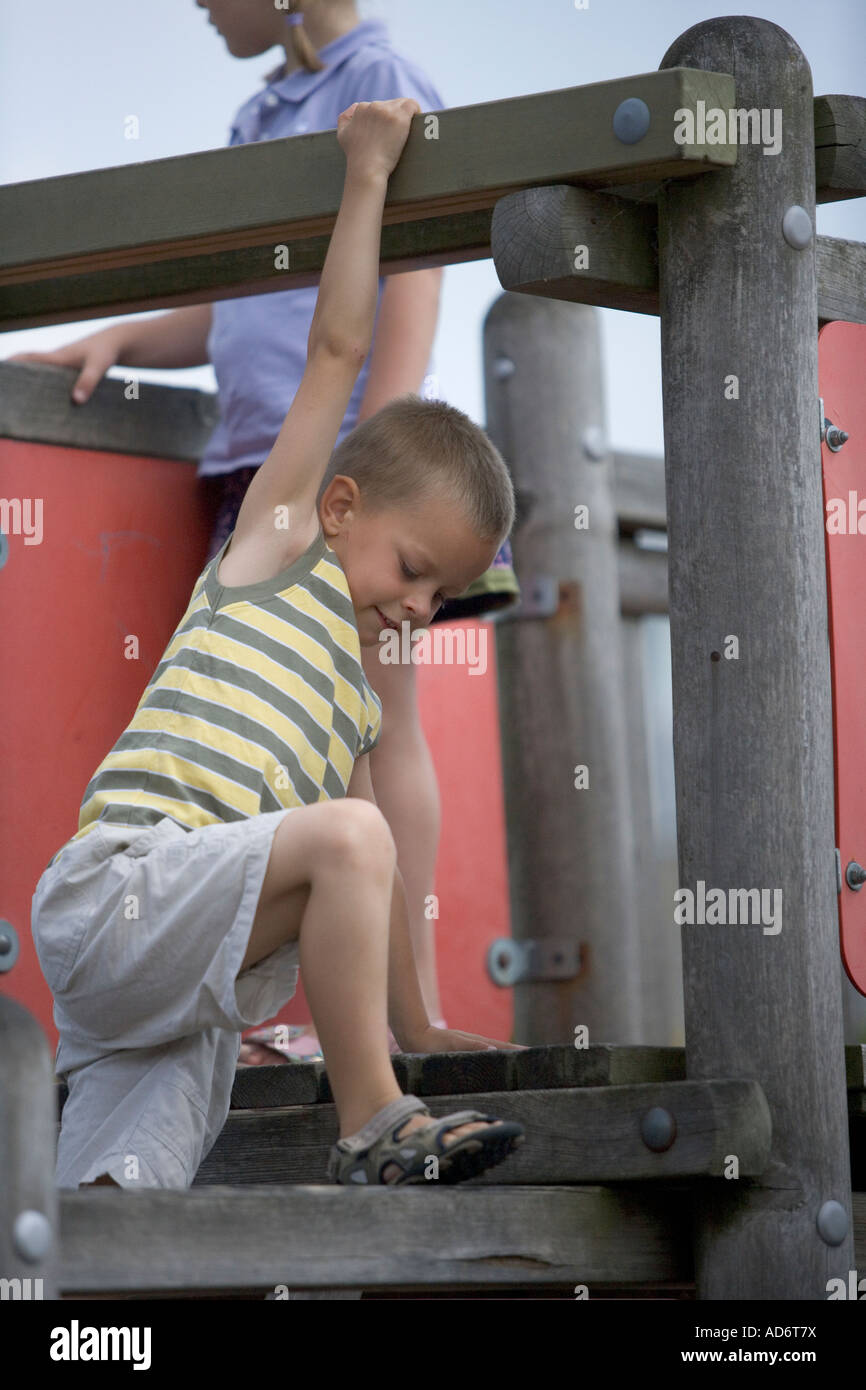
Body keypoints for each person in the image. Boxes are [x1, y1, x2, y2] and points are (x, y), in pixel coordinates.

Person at [10, 0, 520, 1067]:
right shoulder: (258, 112)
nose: (197, 2)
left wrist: (382, 461)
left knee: (376, 733)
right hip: (266, 460)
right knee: (275, 727)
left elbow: (402, 286)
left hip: (354, 473)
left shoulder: (375, 81)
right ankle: (246, 981)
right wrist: (121, 333)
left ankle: (403, 1007)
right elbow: (239, 304)